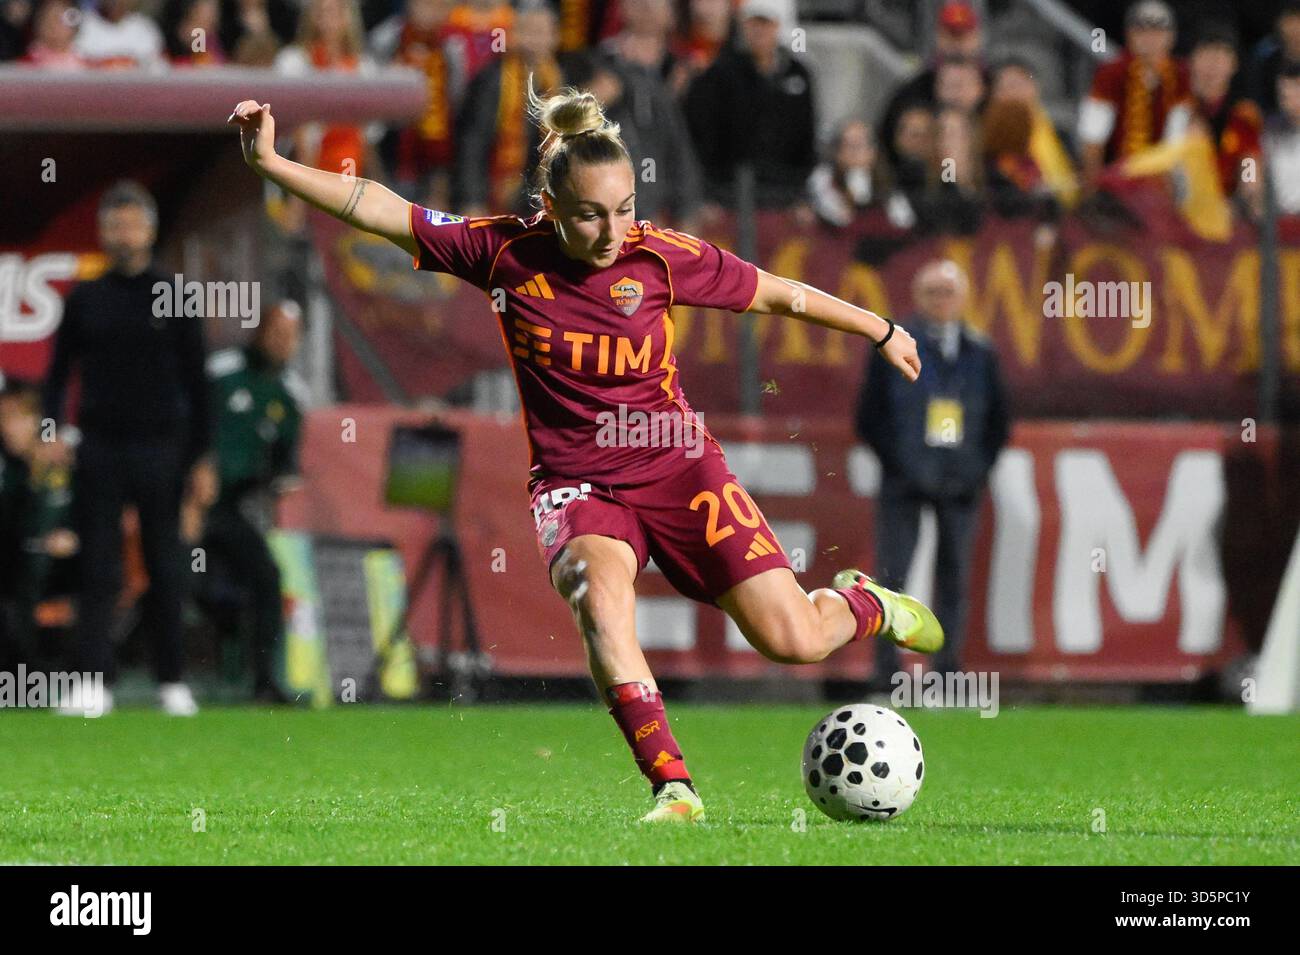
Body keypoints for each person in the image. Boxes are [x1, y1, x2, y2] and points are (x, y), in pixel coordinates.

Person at [229, 78, 943, 824]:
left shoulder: (661, 258)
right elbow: (375, 206)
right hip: (577, 484)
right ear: (551, 209)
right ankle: (674, 786)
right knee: (601, 606)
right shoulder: (504, 252)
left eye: (626, 209)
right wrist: (272, 164)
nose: (612, 231)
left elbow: (774, 294)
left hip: (677, 463)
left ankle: (866, 601)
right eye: (591, 215)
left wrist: (880, 329)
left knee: (794, 638)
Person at [41, 181, 211, 717]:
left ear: (151, 229)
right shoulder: (86, 299)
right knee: (98, 565)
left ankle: (172, 679)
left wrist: (203, 458)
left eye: (133, 222)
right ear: (103, 232)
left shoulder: (175, 294)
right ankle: (93, 680)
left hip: (161, 449)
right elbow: (56, 375)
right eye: (114, 223)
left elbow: (199, 384)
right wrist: (52, 431)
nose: (124, 233)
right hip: (99, 447)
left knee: (165, 564)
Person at [855, 260, 1009, 689]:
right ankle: (886, 672)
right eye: (933, 292)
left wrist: (975, 470)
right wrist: (900, 462)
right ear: (918, 297)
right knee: (891, 577)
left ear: (964, 298)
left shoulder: (981, 351)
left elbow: (998, 421)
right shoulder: (893, 344)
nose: (941, 301)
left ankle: (947, 671)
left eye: (948, 292)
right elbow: (869, 415)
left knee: (955, 576)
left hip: (960, 482)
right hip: (905, 479)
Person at [195, 302, 306, 703]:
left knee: (266, 577)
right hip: (186, 502)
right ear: (259, 331)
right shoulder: (221, 371)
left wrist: (282, 481)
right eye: (276, 331)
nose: (282, 342)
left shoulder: (290, 392)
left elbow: (285, 461)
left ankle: (264, 681)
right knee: (178, 579)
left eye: (291, 335)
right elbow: (187, 420)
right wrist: (197, 467)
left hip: (230, 510)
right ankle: (165, 680)